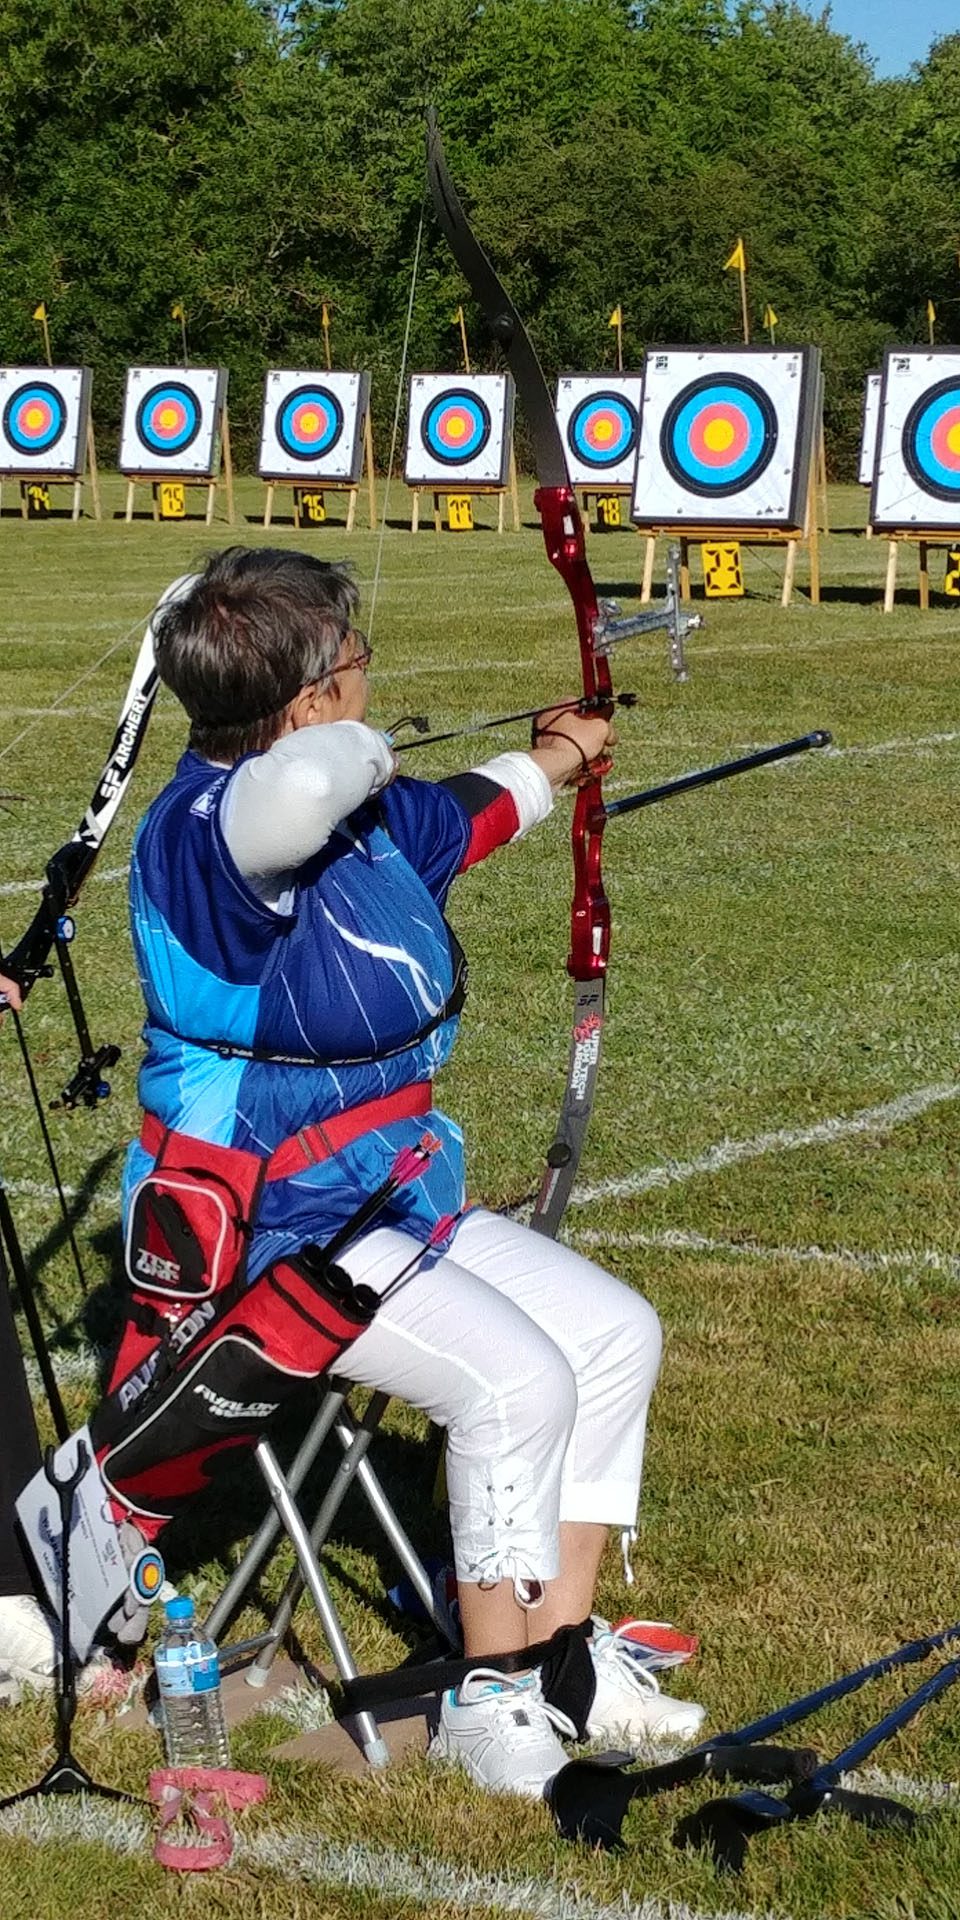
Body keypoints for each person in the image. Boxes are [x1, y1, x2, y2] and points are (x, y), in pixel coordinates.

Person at [92, 547, 703, 1797]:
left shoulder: (355, 808)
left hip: (388, 1191)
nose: (373, 677)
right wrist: (349, 741)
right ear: (312, 699)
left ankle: (564, 1656)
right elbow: (297, 793)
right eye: (352, 662)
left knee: (614, 1334)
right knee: (516, 1382)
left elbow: (466, 812)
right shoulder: (209, 833)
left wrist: (563, 756)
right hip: (275, 1227)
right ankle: (494, 1700)